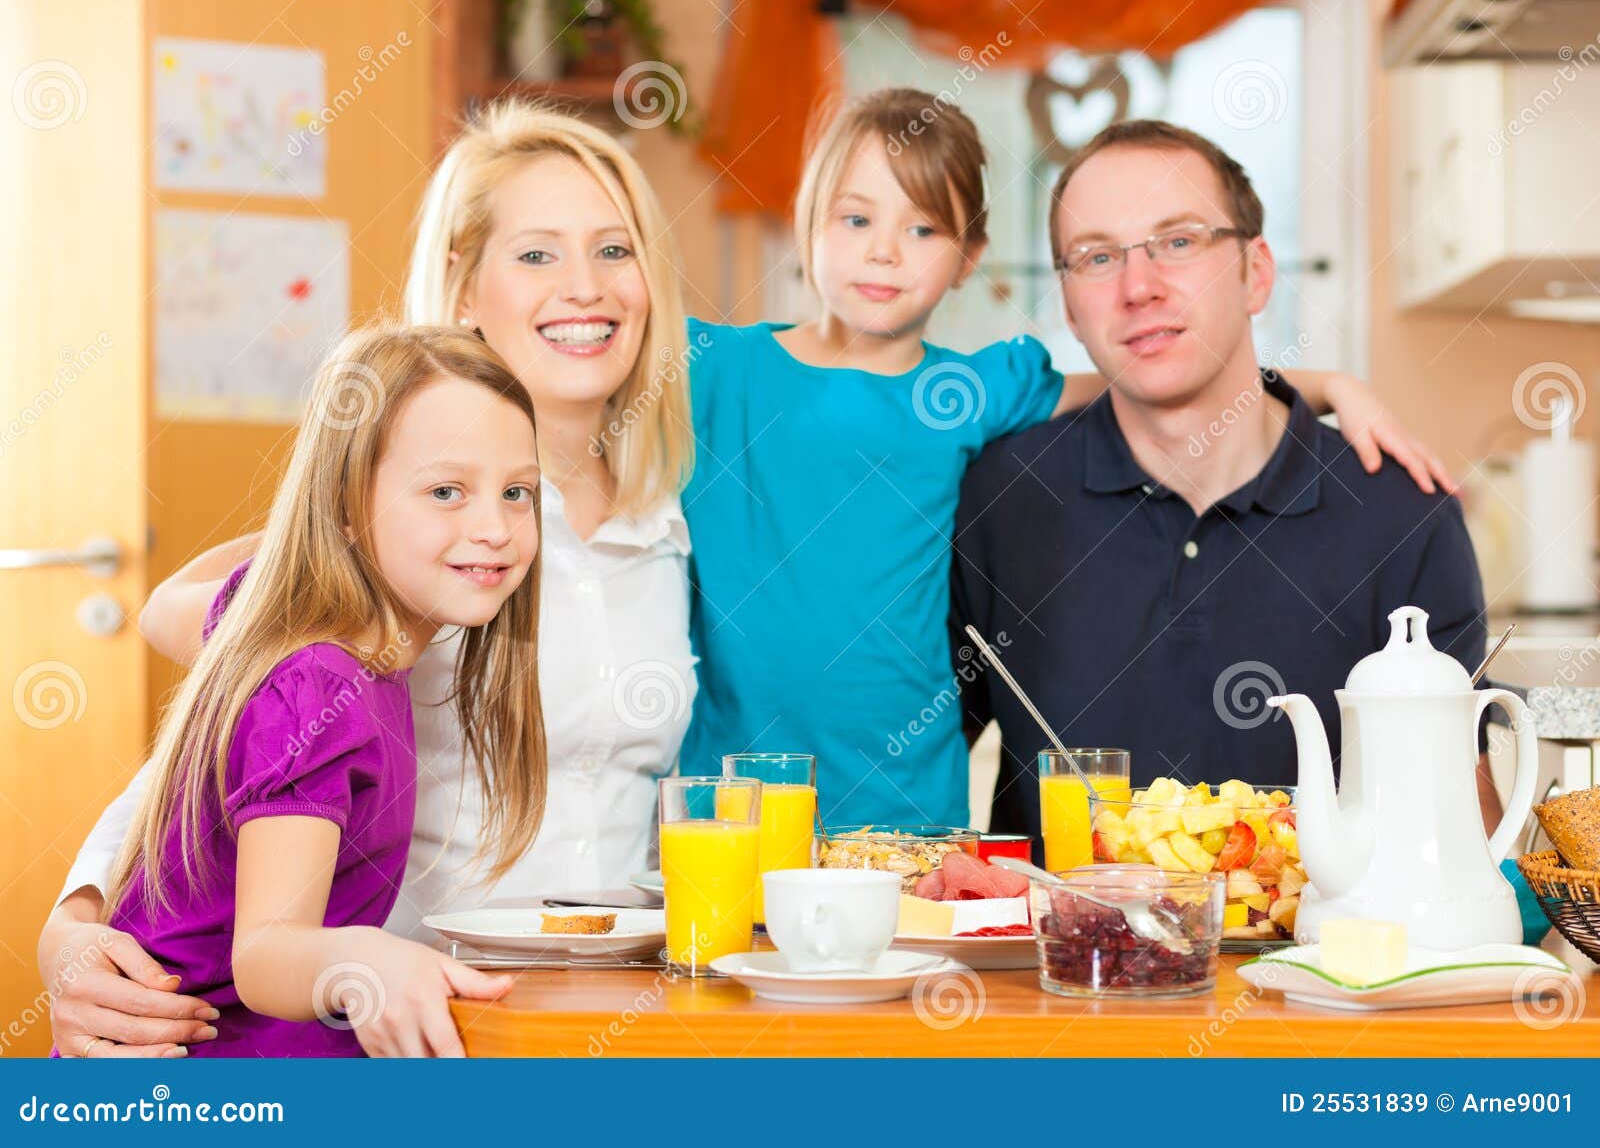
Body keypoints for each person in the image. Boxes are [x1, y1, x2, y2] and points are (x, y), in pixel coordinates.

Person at [37, 101, 695, 1057]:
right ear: (465, 285)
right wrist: (75, 925)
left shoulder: (676, 511)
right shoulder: (402, 525)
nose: (586, 288)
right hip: (395, 1015)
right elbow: (239, 712)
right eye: (539, 254)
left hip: (613, 1013)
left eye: (615, 249)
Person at [680, 88, 1455, 828]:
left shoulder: (976, 389)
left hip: (908, 820)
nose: (884, 252)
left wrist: (1322, 385)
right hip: (728, 812)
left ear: (969, 258)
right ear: (804, 220)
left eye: (922, 230)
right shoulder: (712, 369)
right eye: (854, 219)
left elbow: (1145, 373)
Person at [951, 119, 1495, 849]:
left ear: (1256, 272)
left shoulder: (1404, 517)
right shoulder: (996, 498)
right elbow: (903, 764)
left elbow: (1462, 824)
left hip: (1324, 963)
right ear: (1069, 305)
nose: (1138, 287)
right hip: (1057, 963)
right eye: (1097, 256)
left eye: (1178, 242)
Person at [54, 325, 547, 1057]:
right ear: (345, 508)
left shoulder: (287, 617)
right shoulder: (320, 684)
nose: (494, 527)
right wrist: (369, 957)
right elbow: (265, 955)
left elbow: (180, 598)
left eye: (517, 492)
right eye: (447, 490)